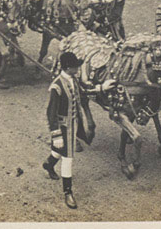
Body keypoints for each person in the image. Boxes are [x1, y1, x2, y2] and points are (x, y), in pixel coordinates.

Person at [43, 50, 96, 209]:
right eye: (75, 67)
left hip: (73, 126)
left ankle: (48, 164)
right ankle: (68, 192)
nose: (78, 69)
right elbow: (50, 113)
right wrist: (56, 134)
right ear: (67, 68)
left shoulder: (73, 79)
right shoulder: (56, 87)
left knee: (59, 152)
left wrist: (102, 88)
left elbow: (84, 93)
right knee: (68, 158)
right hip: (63, 128)